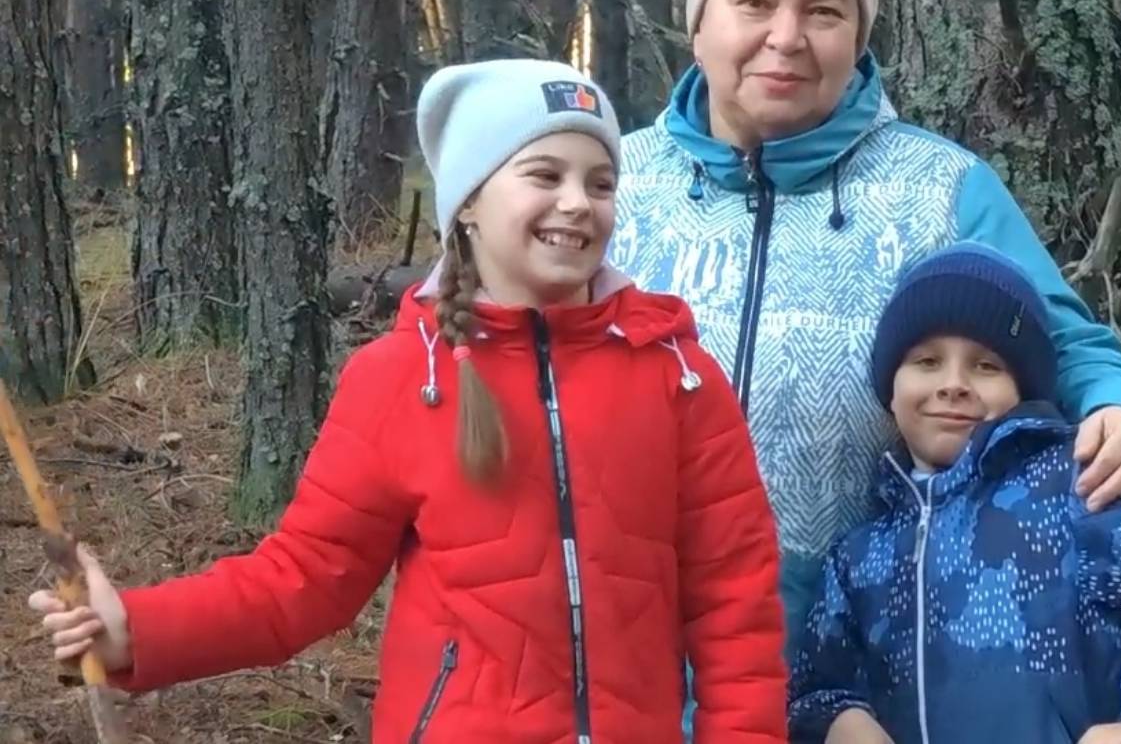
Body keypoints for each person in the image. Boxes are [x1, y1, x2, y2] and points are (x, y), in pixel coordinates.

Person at [28, 61, 788, 743]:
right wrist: (138, 631)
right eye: (544, 174)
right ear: (468, 203)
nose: (577, 203)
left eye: (600, 183)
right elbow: (301, 581)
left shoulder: (677, 374)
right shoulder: (399, 378)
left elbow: (736, 609)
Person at [610, 0, 1121, 651]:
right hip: (620, 651)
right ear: (698, 22)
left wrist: (1120, 412)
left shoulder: (940, 190)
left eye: (825, 10)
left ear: (858, 35)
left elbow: (1072, 347)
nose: (787, 37)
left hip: (866, 650)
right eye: (754, 2)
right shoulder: (609, 183)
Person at [787, 244, 1121, 744]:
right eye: (927, 361)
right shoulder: (860, 554)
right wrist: (841, 719)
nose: (954, 384)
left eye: (986, 366)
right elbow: (818, 685)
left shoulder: (1079, 488)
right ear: (889, 388)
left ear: (1024, 389)